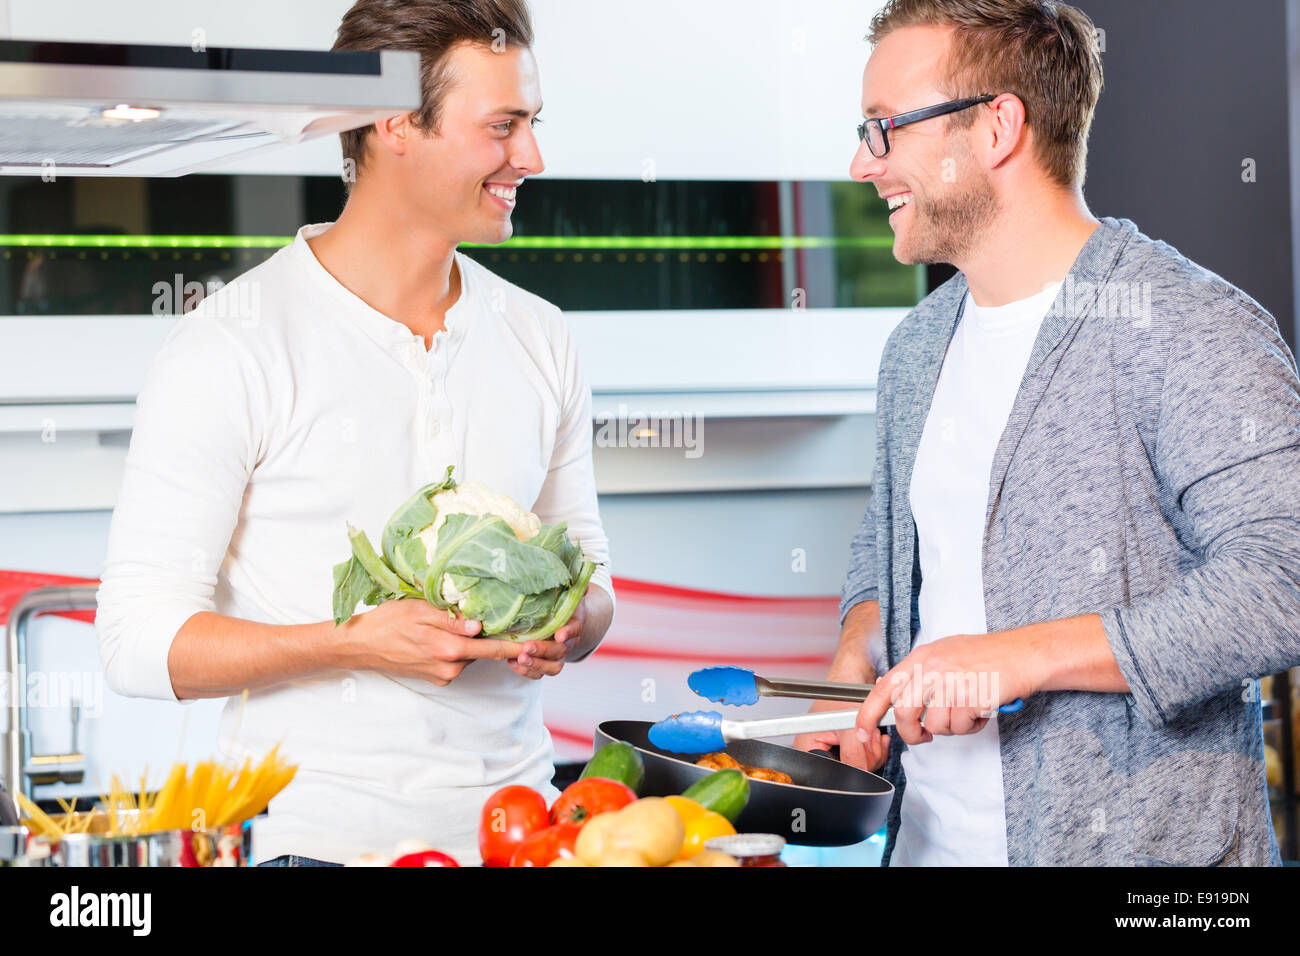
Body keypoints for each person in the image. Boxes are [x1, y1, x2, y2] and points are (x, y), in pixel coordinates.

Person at [95, 0, 614, 866]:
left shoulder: (540, 335)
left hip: (522, 833)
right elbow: (137, 643)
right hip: (314, 844)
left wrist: (567, 622)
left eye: (531, 124)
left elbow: (593, 576)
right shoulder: (234, 344)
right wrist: (354, 644)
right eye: (502, 127)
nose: (532, 157)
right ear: (393, 124)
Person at [793, 0, 1299, 865]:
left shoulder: (1190, 326)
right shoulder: (916, 346)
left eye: (884, 129)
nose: (861, 162)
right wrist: (854, 665)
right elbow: (896, 545)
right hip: (927, 848)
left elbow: (1281, 582)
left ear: (997, 128)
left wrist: (1017, 659)